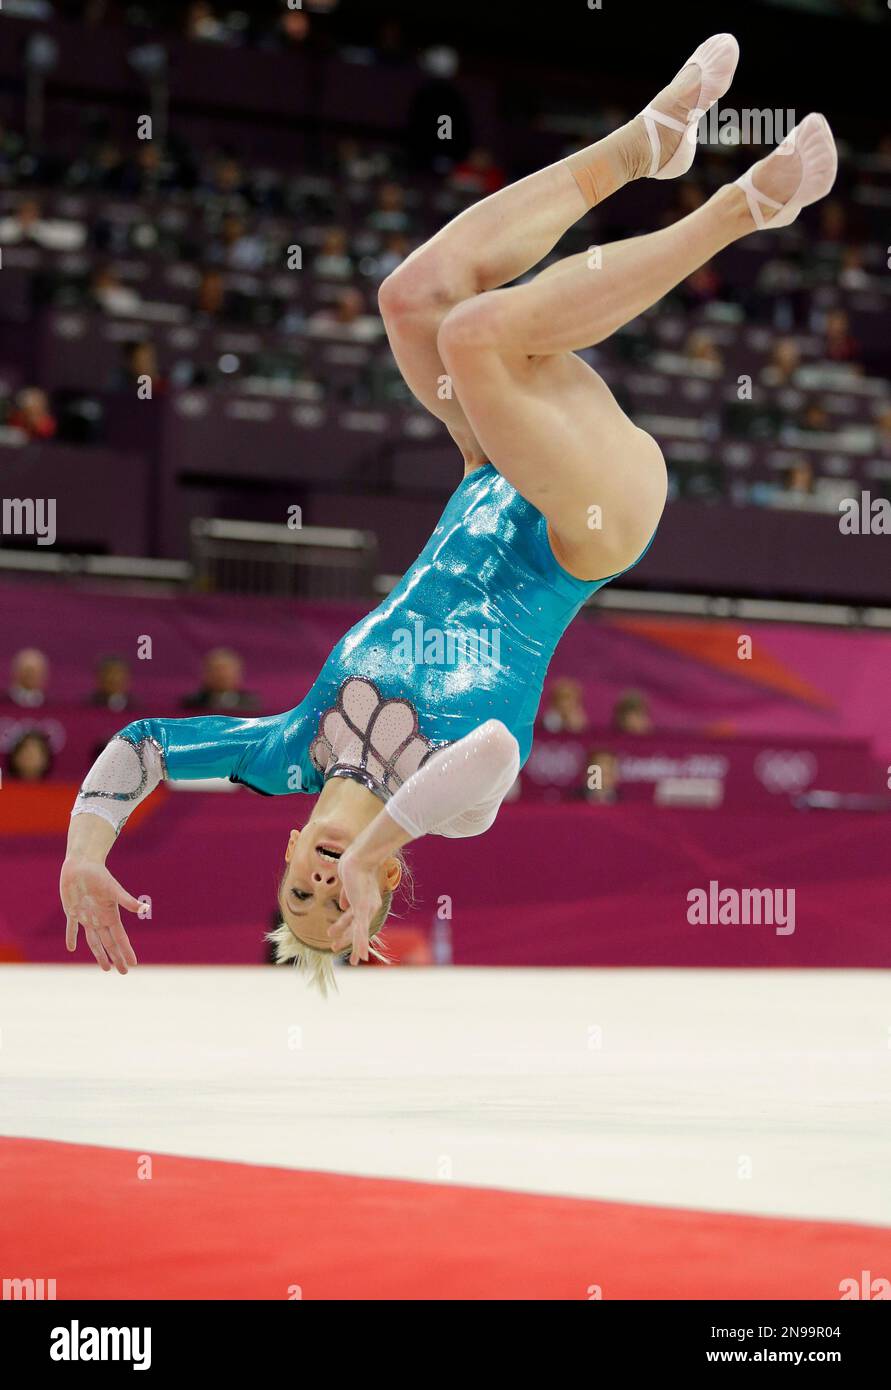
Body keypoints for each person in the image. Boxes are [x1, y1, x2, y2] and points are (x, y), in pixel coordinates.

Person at [60, 35, 838, 991]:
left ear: (289, 844)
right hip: (583, 527)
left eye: (293, 893)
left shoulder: (286, 750)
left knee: (415, 298)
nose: (312, 883)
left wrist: (83, 853)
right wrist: (380, 834)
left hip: (490, 467)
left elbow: (141, 748)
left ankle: (646, 145)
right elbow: (494, 752)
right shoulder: (447, 810)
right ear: (384, 884)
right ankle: (744, 208)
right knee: (476, 337)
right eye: (332, 899)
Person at [181, 648, 258, 711]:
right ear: (206, 674)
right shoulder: (192, 703)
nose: (222, 675)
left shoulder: (249, 703)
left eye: (227, 670)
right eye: (217, 670)